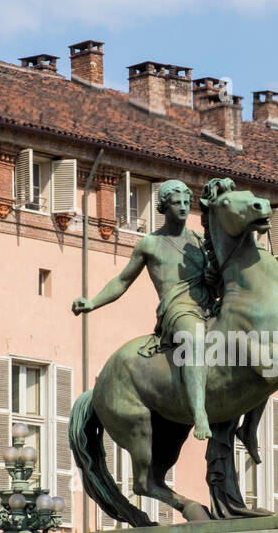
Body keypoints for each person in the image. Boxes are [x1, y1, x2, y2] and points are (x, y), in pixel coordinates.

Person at [72, 180, 217, 440]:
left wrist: (211, 276)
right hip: (179, 309)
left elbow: (215, 274)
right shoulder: (150, 244)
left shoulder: (197, 240)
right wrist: (92, 302)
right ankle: (200, 413)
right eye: (176, 203)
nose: (183, 208)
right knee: (193, 340)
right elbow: (122, 281)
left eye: (186, 202)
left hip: (208, 305)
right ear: (164, 206)